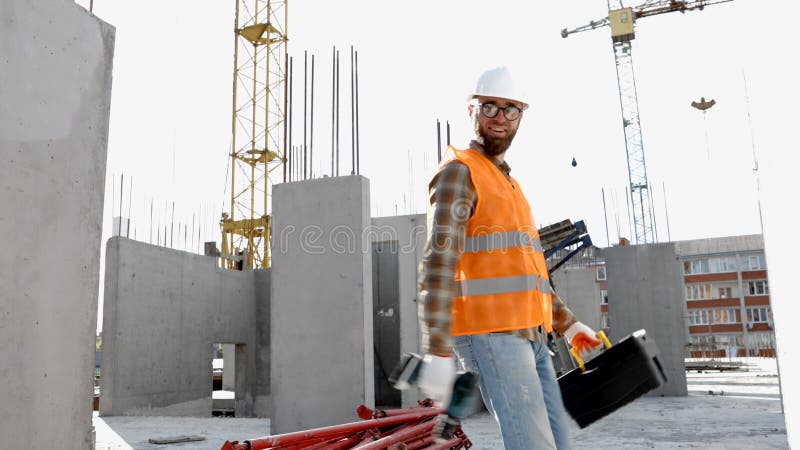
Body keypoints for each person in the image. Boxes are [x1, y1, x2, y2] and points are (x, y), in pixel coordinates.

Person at [416, 66, 603, 450]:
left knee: (555, 444)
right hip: (492, 334)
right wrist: (436, 349)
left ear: (521, 116)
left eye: (510, 109)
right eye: (490, 107)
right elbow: (438, 265)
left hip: (532, 334)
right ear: (472, 110)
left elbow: (529, 273)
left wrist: (566, 325)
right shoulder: (459, 173)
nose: (500, 117)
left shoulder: (509, 184)